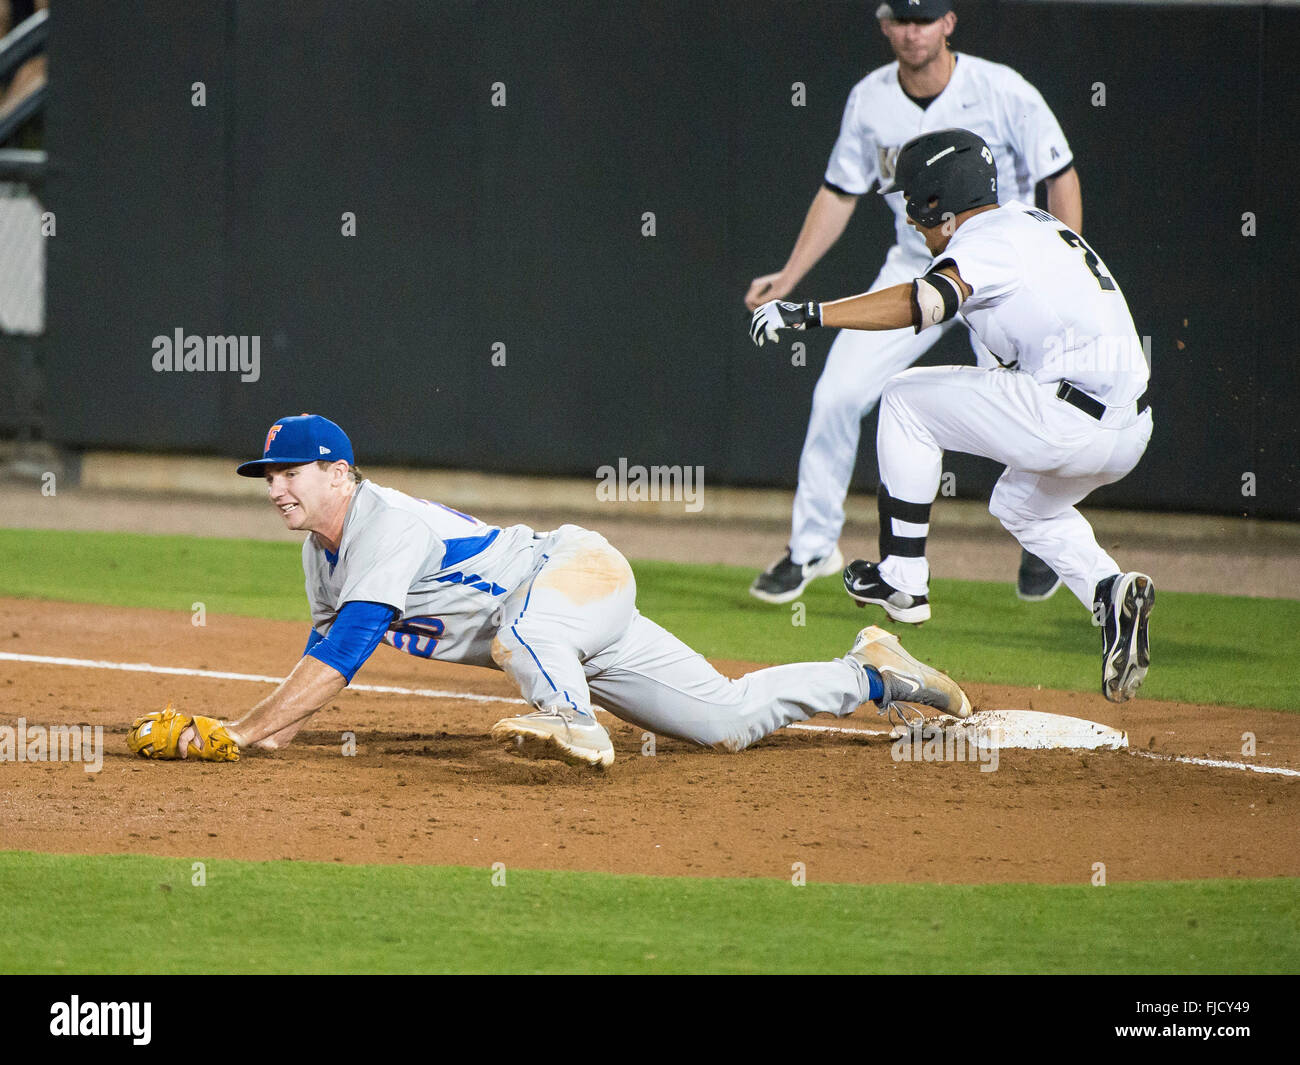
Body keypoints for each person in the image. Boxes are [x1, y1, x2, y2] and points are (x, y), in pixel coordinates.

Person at [126, 414, 972, 767]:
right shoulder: (323, 547)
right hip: (567, 628)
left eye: (288, 473)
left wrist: (236, 729)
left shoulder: (386, 524)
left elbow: (349, 650)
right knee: (725, 719)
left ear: (338, 472)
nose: (274, 487)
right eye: (266, 476)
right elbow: (323, 647)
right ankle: (872, 670)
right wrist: (273, 733)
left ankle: (570, 718)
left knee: (517, 636)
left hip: (572, 576)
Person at [749, 128, 1153, 703]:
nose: (911, 219)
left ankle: (903, 579)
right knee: (1018, 504)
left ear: (936, 203)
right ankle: (1110, 589)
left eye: (914, 202)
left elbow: (925, 303)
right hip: (1127, 428)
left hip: (1069, 414)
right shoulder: (1033, 225)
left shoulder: (986, 240)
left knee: (905, 399)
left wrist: (810, 314)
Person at [746, 0, 1081, 606]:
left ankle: (1044, 542)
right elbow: (839, 191)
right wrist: (791, 276)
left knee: (1030, 409)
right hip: (916, 261)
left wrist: (1065, 261)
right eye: (900, 19)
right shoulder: (870, 99)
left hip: (1000, 269)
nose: (912, 30)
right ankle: (813, 547)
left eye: (924, 18)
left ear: (949, 22)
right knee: (837, 394)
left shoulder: (1002, 89)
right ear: (884, 26)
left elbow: (1059, 173)